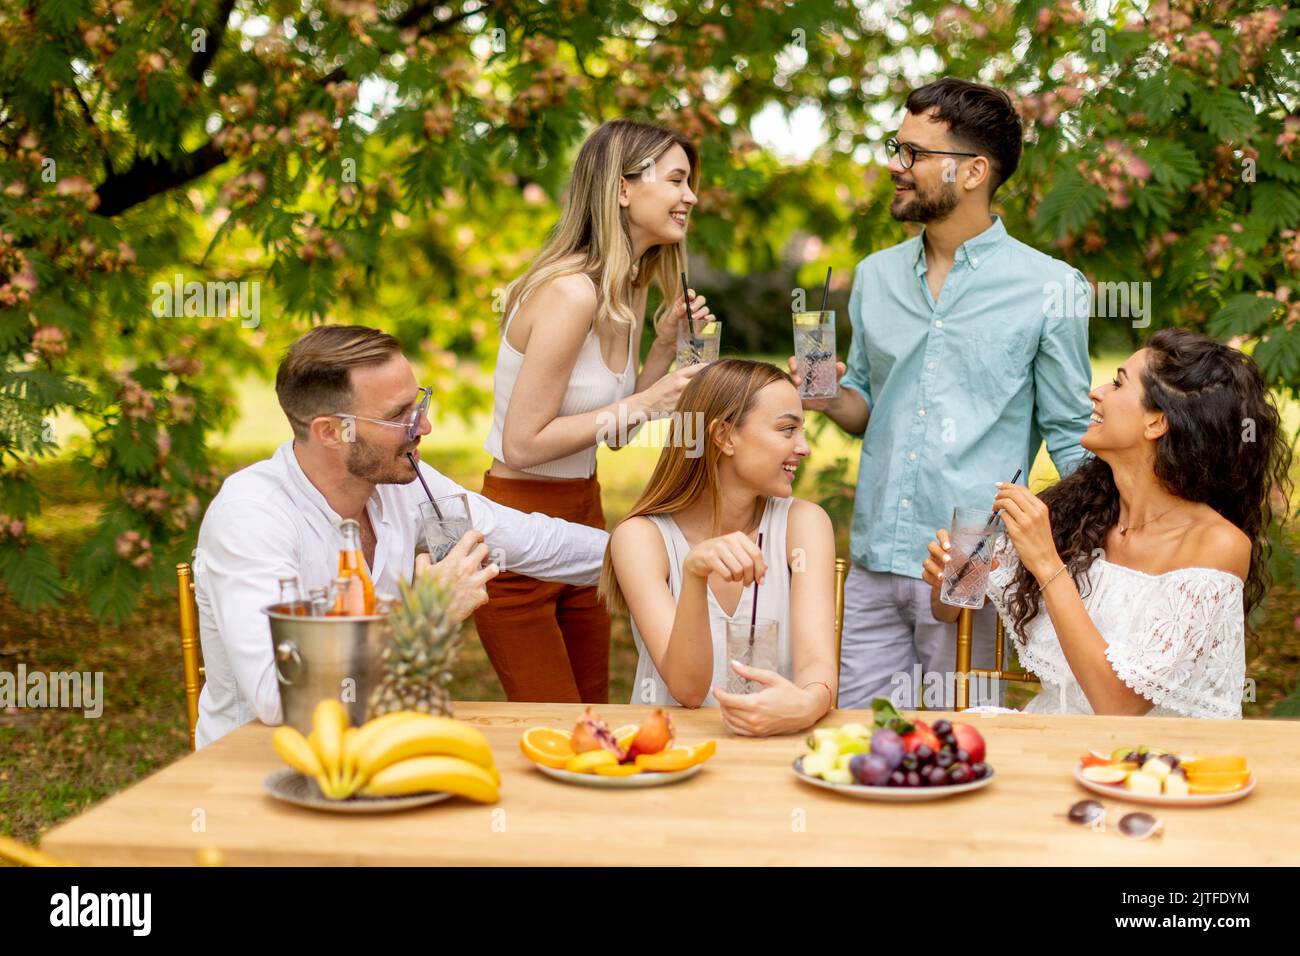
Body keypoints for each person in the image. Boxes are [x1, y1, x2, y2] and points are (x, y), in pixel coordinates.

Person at [796, 77, 1094, 709]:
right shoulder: (875, 278)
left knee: (960, 734)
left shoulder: (1051, 286)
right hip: (876, 548)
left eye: (914, 153)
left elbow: (1072, 434)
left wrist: (1097, 550)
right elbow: (865, 406)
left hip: (971, 555)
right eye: (896, 148)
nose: (895, 167)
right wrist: (821, 394)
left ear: (974, 171)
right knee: (855, 735)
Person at [192, 325, 608, 747]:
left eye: (419, 403)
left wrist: (654, 552)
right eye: (398, 416)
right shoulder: (251, 517)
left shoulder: (404, 484)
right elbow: (278, 695)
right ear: (332, 432)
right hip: (255, 771)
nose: (423, 425)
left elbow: (534, 541)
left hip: (380, 750)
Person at [922, 329, 1293, 717]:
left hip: (1147, 764)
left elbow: (1119, 707)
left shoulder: (1217, 544)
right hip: (1055, 741)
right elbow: (949, 609)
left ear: (1157, 423)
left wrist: (1047, 563)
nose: (1096, 392)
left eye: (1118, 383)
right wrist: (947, 576)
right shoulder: (1081, 513)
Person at [477, 119, 711, 703]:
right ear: (623, 189)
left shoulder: (625, 292)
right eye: (677, 180)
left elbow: (610, 434)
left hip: (587, 516)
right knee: (553, 723)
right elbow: (523, 445)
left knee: (594, 716)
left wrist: (660, 350)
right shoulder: (570, 292)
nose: (691, 197)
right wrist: (643, 398)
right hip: (517, 530)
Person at [601, 360, 838, 736]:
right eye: (787, 429)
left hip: (774, 750)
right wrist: (694, 576)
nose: (804, 448)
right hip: (669, 756)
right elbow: (689, 689)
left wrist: (807, 706)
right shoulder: (640, 538)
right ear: (724, 436)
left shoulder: (804, 524)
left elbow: (816, 666)